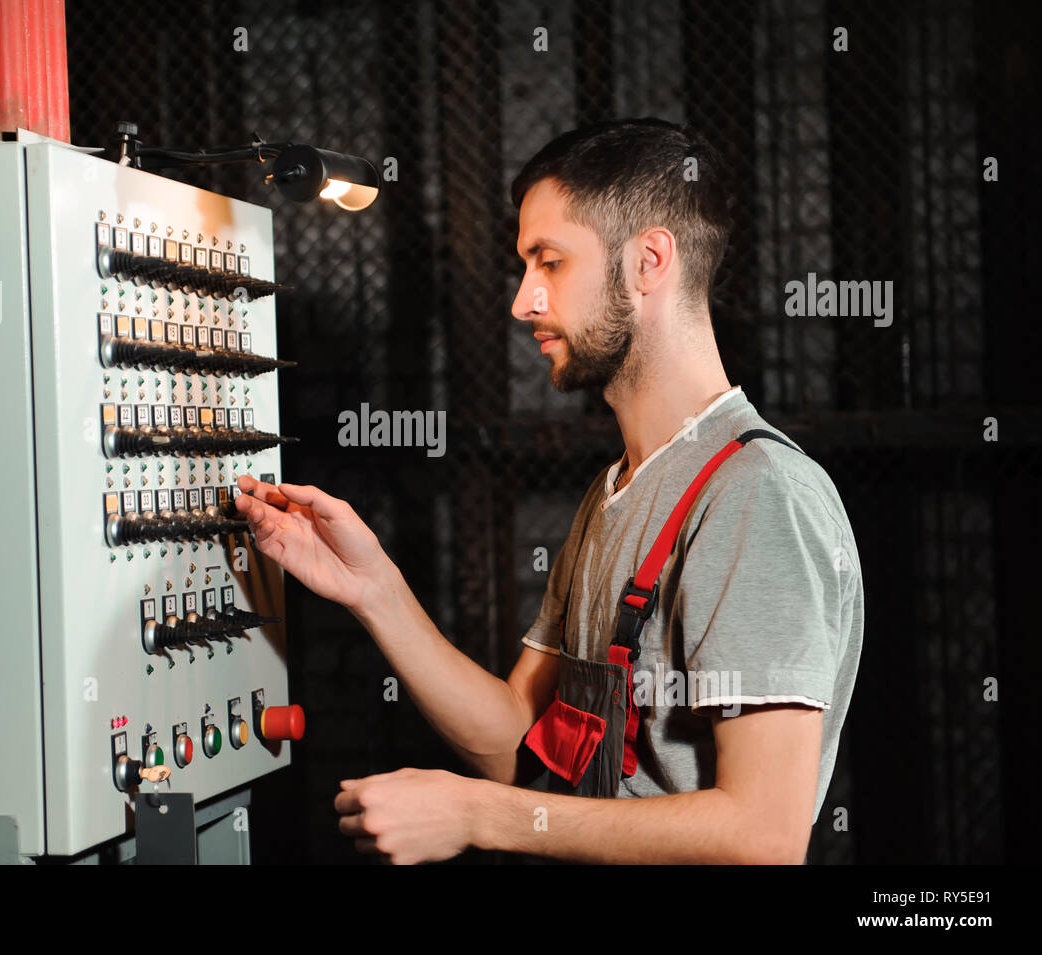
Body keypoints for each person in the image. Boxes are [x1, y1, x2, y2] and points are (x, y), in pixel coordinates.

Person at [233, 118, 864, 865]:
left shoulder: (755, 495)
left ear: (649, 261)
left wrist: (475, 813)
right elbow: (517, 741)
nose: (523, 301)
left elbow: (763, 835)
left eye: (551, 262)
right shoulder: (617, 491)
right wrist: (374, 588)